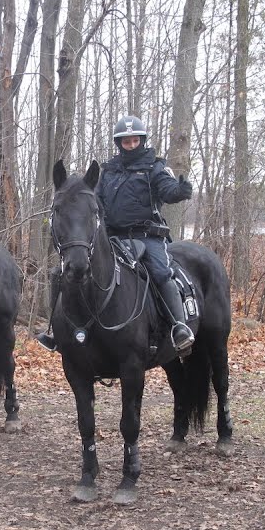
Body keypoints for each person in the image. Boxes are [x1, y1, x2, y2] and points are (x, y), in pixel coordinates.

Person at [37, 115, 194, 352]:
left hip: (146, 236)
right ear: (118, 144)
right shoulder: (109, 171)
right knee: (61, 272)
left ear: (141, 141)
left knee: (161, 272)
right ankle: (57, 332)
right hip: (112, 236)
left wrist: (179, 191)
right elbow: (95, 202)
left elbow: (167, 188)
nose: (130, 145)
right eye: (125, 142)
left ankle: (178, 326)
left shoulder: (155, 167)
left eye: (134, 141)